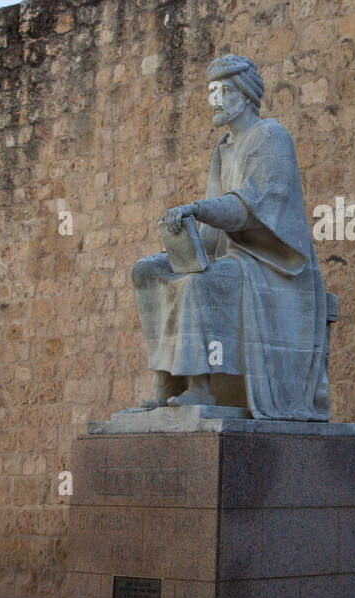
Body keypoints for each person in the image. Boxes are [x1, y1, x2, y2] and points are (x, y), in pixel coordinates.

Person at [130, 54, 331, 420]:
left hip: (272, 266)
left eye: (223, 90)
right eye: (211, 91)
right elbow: (211, 234)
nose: (215, 99)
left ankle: (199, 388)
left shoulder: (271, 137)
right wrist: (182, 242)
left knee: (196, 285)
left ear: (246, 94)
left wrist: (199, 208)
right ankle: (165, 382)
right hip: (231, 256)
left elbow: (250, 207)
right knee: (148, 271)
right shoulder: (223, 149)